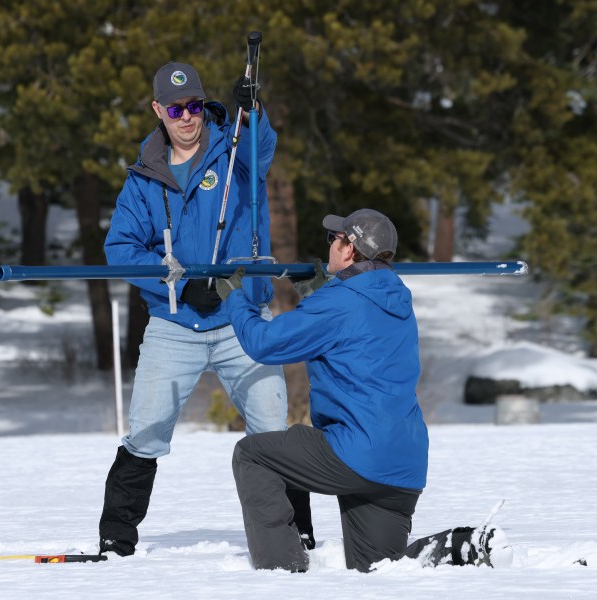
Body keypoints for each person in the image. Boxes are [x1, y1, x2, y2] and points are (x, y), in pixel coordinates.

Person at [216, 208, 513, 572]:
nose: (329, 244)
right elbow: (352, 328)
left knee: (253, 455)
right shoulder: (397, 296)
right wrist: (319, 296)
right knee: (381, 569)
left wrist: (233, 298)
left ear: (349, 250)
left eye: (334, 238)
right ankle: (464, 545)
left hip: (356, 453)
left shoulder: (339, 303)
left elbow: (264, 344)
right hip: (403, 463)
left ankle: (282, 574)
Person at [98, 61, 307, 557]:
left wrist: (252, 110)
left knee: (273, 432)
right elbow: (121, 248)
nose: (187, 117)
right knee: (144, 431)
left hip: (243, 320)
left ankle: (299, 537)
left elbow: (262, 148)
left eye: (194, 105)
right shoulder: (144, 178)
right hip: (175, 323)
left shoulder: (235, 151)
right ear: (158, 110)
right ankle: (115, 541)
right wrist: (179, 282)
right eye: (175, 108)